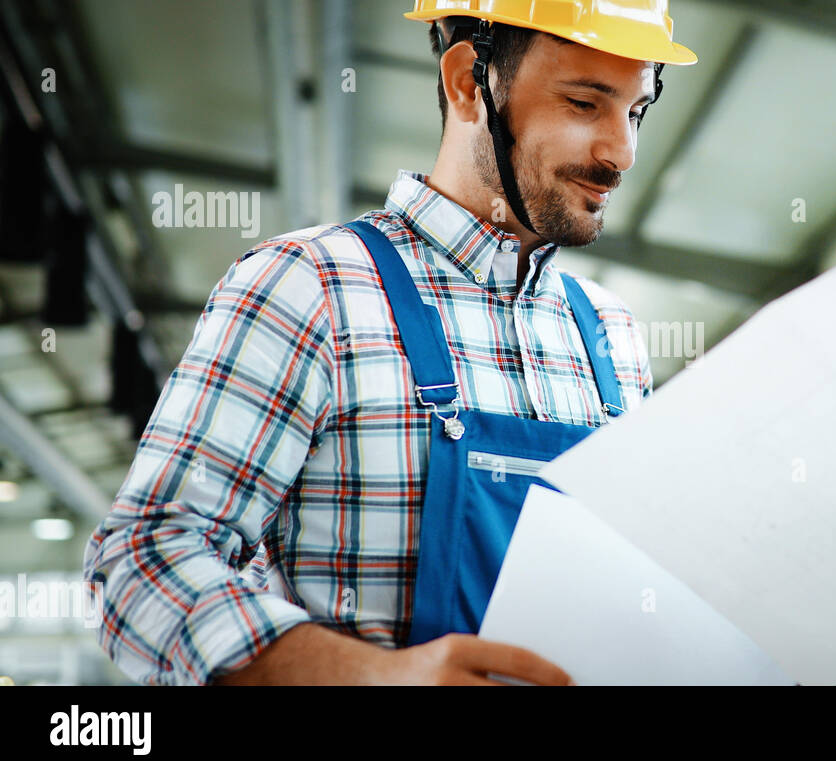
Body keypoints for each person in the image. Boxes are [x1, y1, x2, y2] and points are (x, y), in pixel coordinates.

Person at [84, 0, 697, 686]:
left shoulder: (610, 335)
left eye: (637, 112)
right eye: (585, 103)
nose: (622, 152)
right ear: (469, 82)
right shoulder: (310, 287)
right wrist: (373, 678)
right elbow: (141, 561)